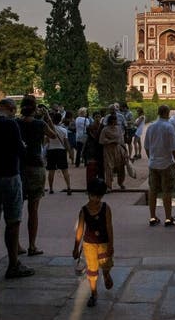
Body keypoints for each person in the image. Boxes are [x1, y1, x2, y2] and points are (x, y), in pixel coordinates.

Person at [0, 98, 34, 279]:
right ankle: (13, 264)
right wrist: (23, 147)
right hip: (10, 175)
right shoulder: (11, 124)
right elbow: (20, 151)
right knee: (13, 221)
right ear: (11, 109)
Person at [16, 94, 56, 256]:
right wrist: (46, 116)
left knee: (17, 208)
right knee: (33, 209)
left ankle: (17, 244)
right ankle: (32, 245)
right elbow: (54, 135)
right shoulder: (40, 124)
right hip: (36, 166)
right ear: (35, 108)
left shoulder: (16, 123)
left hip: (19, 166)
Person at [72, 177, 114, 308]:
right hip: (89, 244)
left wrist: (111, 245)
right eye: (92, 196)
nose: (95, 199)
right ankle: (94, 293)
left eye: (98, 197)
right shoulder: (83, 211)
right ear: (88, 194)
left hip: (103, 243)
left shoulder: (106, 208)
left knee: (105, 264)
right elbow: (80, 230)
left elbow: (109, 227)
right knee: (92, 269)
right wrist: (76, 247)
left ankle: (106, 274)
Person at [143, 104, 175, 227]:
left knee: (153, 191)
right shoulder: (168, 127)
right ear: (166, 113)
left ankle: (152, 217)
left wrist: (151, 158)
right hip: (166, 163)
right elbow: (174, 148)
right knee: (167, 191)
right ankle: (168, 218)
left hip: (153, 164)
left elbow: (146, 147)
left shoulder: (151, 127)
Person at [46, 110, 74, 194]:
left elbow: (47, 140)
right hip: (61, 150)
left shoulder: (49, 129)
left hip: (51, 150)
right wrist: (70, 153)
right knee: (65, 170)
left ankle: (51, 188)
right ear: (60, 120)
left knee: (51, 170)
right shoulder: (64, 130)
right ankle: (69, 187)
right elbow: (66, 143)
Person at [99, 113, 127, 191]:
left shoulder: (118, 128)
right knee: (108, 168)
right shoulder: (105, 129)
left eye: (115, 120)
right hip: (108, 150)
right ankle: (108, 186)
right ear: (110, 121)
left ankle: (121, 183)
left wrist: (125, 150)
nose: (115, 122)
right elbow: (101, 140)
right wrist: (110, 141)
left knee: (121, 168)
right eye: (113, 120)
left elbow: (121, 139)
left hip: (118, 150)